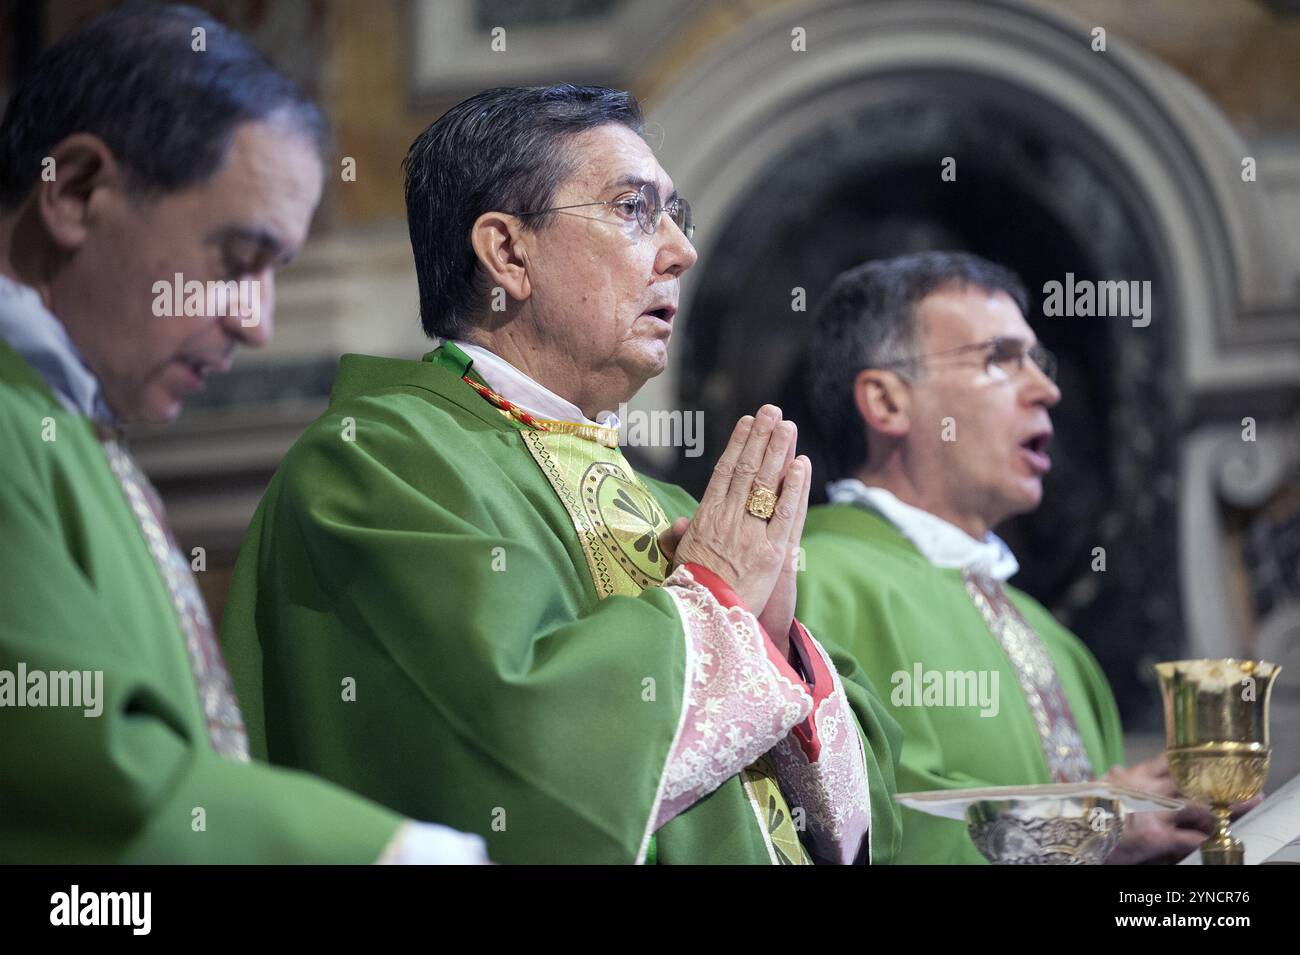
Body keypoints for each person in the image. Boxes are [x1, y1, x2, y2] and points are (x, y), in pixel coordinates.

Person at [220, 84, 902, 864]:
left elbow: (866, 816)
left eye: (677, 215)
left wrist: (775, 645)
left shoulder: (674, 505)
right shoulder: (378, 464)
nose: (682, 251)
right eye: (634, 209)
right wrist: (716, 609)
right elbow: (507, 759)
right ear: (507, 253)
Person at [0, 4, 486, 863]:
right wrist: (389, 853)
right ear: (75, 190)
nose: (257, 324)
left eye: (275, 272)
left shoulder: (66, 427)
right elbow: (82, 783)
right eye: (236, 258)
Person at [797, 251, 1241, 863]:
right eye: (1000, 359)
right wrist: (1088, 827)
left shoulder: (1054, 637)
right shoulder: (814, 583)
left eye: (1038, 360)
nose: (1047, 389)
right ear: (887, 403)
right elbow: (845, 834)